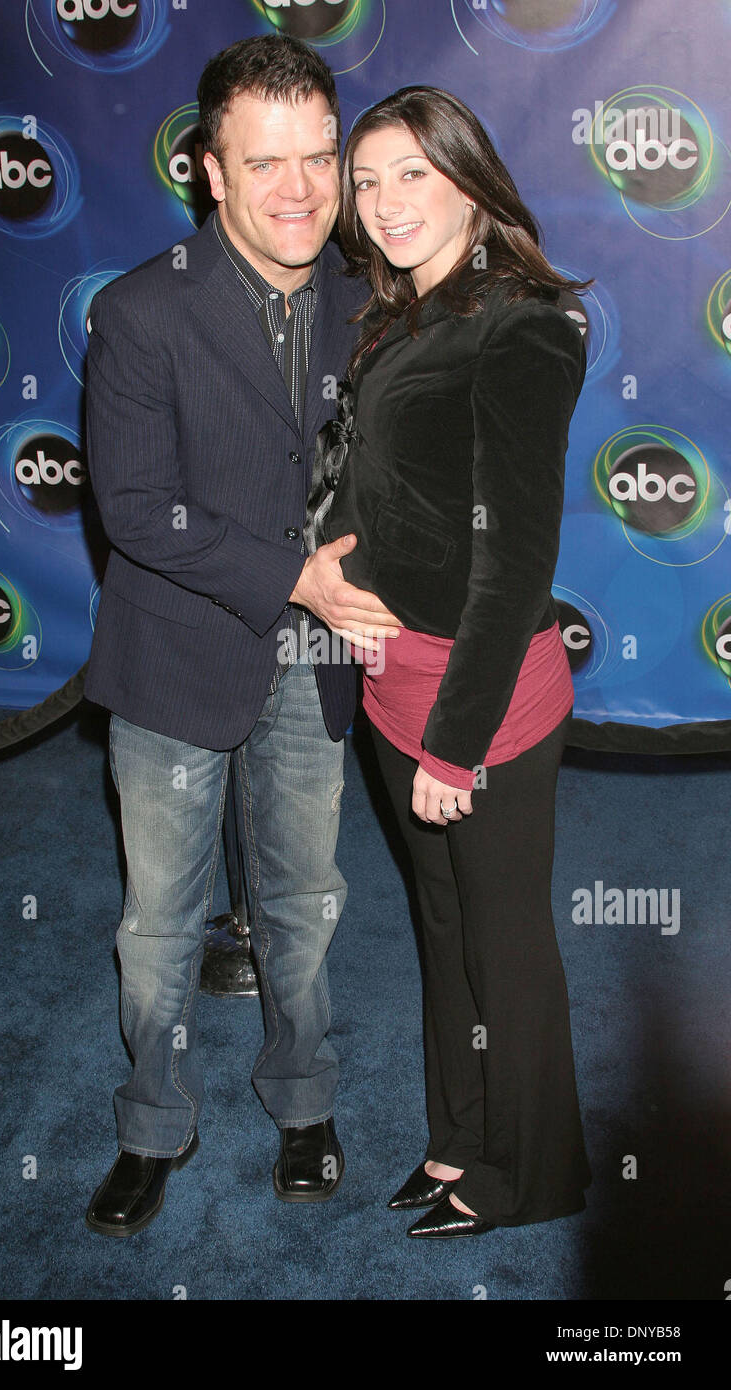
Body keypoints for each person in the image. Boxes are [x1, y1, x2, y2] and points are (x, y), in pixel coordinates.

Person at [82, 34, 401, 1237]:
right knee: (159, 923)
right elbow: (136, 508)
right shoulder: (138, 309)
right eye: (265, 163)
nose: (301, 191)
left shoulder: (370, 299)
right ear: (208, 170)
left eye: (319, 158)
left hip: (315, 669)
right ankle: (152, 1123)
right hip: (175, 653)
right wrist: (298, 582)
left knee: (302, 898)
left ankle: (304, 1099)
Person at [312, 86, 593, 1236]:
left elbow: (514, 558)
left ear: (468, 180)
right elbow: (392, 487)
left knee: (504, 938)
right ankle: (458, 1136)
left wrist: (455, 742)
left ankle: (532, 1174)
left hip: (483, 702)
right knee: (442, 927)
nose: (382, 205)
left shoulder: (521, 325)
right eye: (365, 181)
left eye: (409, 176)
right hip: (397, 679)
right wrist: (332, 568)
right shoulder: (399, 310)